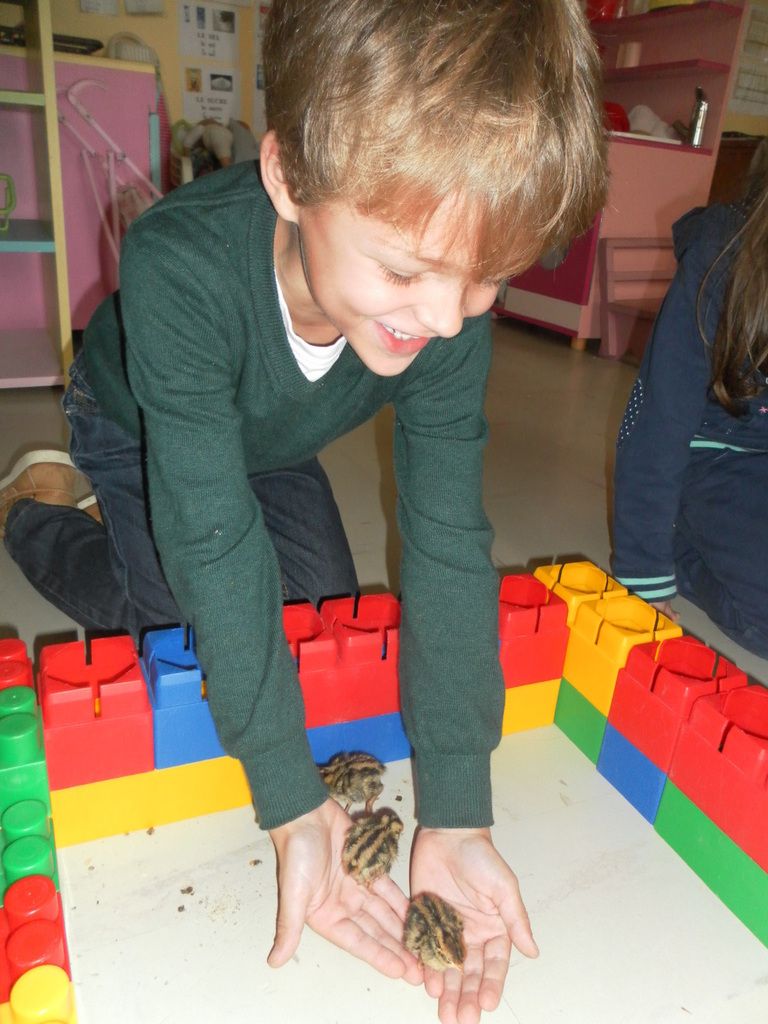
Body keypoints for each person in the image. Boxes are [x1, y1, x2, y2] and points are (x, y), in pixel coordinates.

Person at [1, 1, 606, 1019]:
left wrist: (457, 808)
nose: (448, 318)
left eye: (488, 279)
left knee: (316, 613)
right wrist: (290, 801)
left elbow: (450, 541)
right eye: (410, 271)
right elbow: (214, 538)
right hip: (142, 417)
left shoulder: (439, 301)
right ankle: (37, 505)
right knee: (183, 630)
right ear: (289, 179)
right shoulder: (178, 263)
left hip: (268, 432)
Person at [612, 141, 768, 661]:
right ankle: (683, 549)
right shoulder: (721, 261)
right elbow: (656, 426)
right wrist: (645, 577)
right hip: (711, 458)